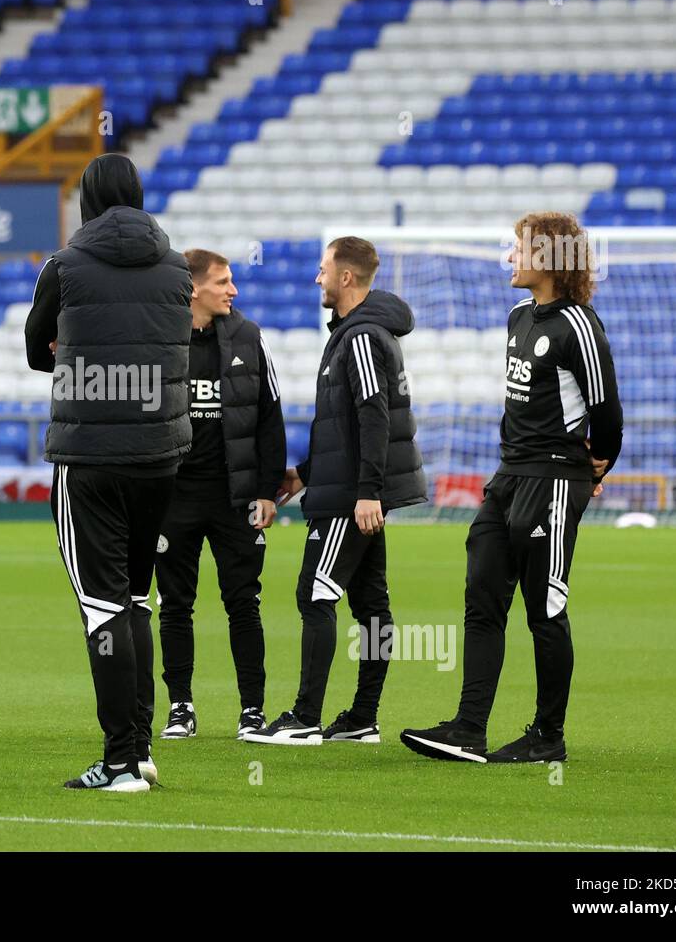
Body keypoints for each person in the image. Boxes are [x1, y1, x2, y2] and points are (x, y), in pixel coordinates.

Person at [402, 212, 621, 763]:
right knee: (481, 597)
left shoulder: (580, 326)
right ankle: (468, 729)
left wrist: (592, 470)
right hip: (507, 477)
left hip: (552, 480)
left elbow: (607, 416)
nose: (509, 258)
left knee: (544, 608)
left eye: (519, 249)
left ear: (548, 258)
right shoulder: (518, 318)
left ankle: (549, 737)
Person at [24, 153, 191, 792]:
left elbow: (37, 353)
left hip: (89, 458)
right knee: (136, 602)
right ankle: (141, 748)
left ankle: (120, 760)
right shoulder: (176, 267)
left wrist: (74, 353)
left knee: (101, 608)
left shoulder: (63, 267)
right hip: (160, 459)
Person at [245, 236, 426, 746]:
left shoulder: (362, 336)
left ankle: (305, 718)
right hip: (347, 487)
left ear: (346, 277)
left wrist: (367, 492)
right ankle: (363, 717)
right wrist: (305, 473)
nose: (317, 278)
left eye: (324, 270)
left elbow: (373, 415)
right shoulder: (355, 332)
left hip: (352, 497)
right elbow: (346, 425)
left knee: (316, 594)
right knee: (370, 605)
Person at [154, 248, 285, 743]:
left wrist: (268, 491)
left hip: (236, 498)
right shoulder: (161, 340)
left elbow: (270, 415)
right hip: (173, 498)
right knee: (174, 605)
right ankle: (180, 707)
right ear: (193, 288)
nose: (233, 290)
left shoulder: (249, 338)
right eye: (223, 282)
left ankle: (252, 710)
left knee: (243, 603)